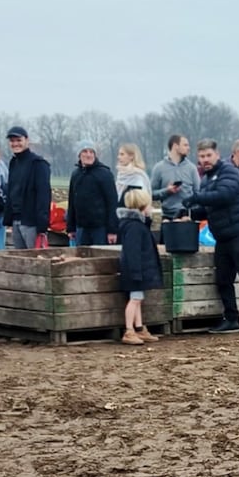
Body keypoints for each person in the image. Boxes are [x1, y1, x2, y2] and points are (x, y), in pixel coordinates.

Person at [185, 139, 239, 338]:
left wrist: (196, 197)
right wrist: (188, 212)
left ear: (217, 155)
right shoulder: (207, 179)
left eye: (208, 155)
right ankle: (231, 318)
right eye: (202, 156)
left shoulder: (229, 171)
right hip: (223, 237)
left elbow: (224, 195)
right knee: (223, 280)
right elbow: (209, 207)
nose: (205, 160)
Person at [117, 188, 164, 346]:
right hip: (135, 271)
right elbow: (133, 251)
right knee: (135, 299)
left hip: (137, 270)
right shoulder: (135, 227)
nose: (151, 208)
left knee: (138, 298)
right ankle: (129, 330)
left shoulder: (138, 225)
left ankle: (139, 328)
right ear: (142, 206)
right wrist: (136, 272)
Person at [3, 126, 51, 250]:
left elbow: (43, 195)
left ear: (27, 140)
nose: (15, 144)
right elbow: (11, 191)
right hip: (16, 221)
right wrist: (8, 218)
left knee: (35, 256)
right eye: (12, 141)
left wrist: (42, 225)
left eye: (19, 140)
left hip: (31, 222)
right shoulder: (13, 163)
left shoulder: (38, 164)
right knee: (20, 258)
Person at [65, 141, 118, 246]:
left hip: (100, 228)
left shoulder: (104, 174)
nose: (88, 155)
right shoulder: (76, 175)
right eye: (85, 151)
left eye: (91, 152)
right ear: (79, 155)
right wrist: (71, 227)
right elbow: (72, 202)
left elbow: (112, 203)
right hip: (81, 228)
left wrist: (112, 230)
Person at [151, 134, 200, 220]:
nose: (188, 148)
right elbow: (151, 194)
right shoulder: (159, 168)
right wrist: (167, 191)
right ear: (175, 146)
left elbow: (198, 193)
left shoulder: (192, 168)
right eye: (185, 145)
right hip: (166, 217)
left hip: (187, 217)